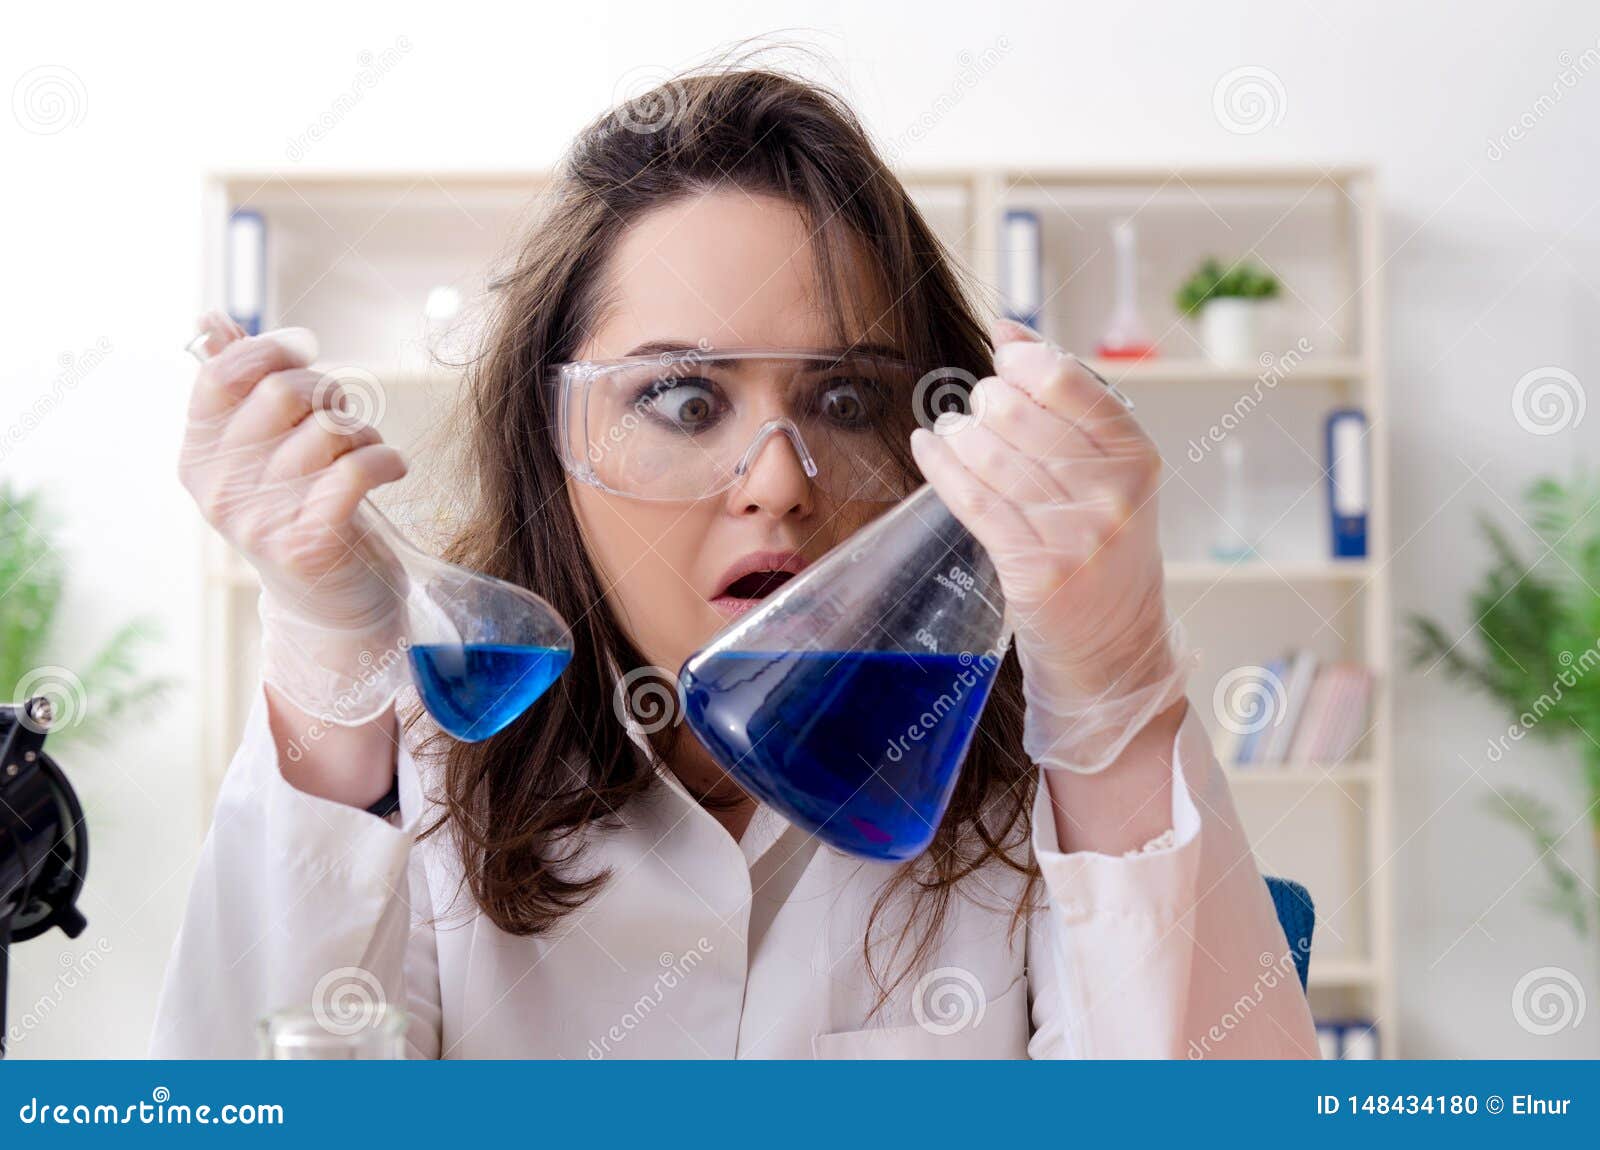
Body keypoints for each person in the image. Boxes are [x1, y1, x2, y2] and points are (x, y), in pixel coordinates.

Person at [153, 67, 1316, 1058]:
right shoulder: (414, 764)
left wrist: (1111, 689)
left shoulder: (1021, 778)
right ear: (551, 444)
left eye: (847, 396)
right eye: (681, 397)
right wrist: (324, 660)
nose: (779, 481)